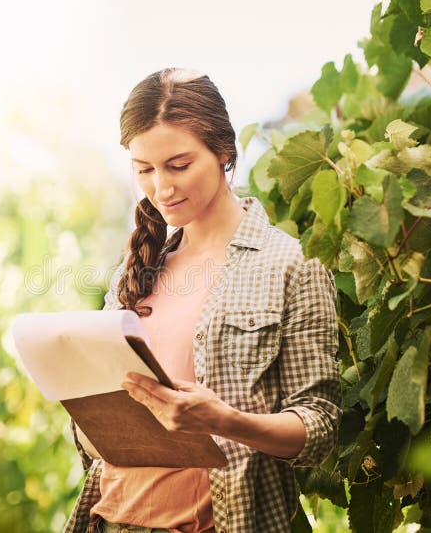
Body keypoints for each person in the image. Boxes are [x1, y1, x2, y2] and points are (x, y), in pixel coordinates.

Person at [63, 68, 341, 533]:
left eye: (179, 165)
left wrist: (227, 422)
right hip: (106, 519)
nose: (161, 189)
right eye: (144, 170)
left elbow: (320, 428)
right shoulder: (135, 271)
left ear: (224, 152)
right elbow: (99, 437)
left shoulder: (290, 265)